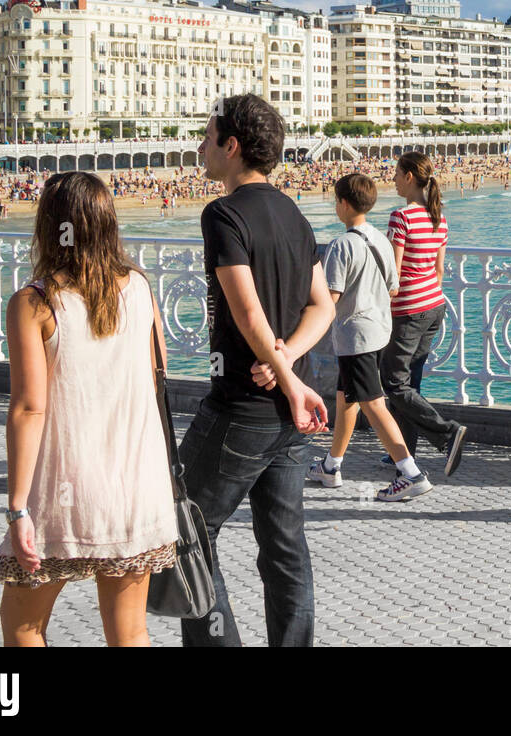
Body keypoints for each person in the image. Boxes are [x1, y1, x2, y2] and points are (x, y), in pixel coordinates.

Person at [0, 172, 177, 646]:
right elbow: (157, 375)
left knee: (23, 624)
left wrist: (16, 508)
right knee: (129, 631)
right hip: (137, 488)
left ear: (50, 227)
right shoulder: (139, 287)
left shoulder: (35, 303)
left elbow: (29, 408)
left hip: (63, 494)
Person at [179, 96, 335, 648]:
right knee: (284, 543)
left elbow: (247, 313)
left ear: (232, 146)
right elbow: (323, 307)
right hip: (288, 416)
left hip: (241, 408)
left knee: (185, 531)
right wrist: (289, 361)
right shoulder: (294, 214)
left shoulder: (223, 214)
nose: (200, 146)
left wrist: (284, 373)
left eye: (207, 135)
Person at [302, 173, 432, 501]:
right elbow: (393, 286)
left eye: (336, 201)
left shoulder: (341, 245)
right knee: (348, 397)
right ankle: (332, 466)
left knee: (373, 404)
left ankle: (410, 472)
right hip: (380, 330)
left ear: (344, 204)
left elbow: (329, 298)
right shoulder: (380, 239)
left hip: (354, 335)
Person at [379, 151, 467, 475]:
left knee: (393, 384)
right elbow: (439, 270)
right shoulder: (438, 218)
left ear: (409, 178)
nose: (393, 179)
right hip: (434, 306)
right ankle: (403, 454)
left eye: (396, 173)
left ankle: (447, 433)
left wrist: (385, 309)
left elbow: (394, 275)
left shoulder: (401, 218)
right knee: (410, 383)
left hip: (409, 311)